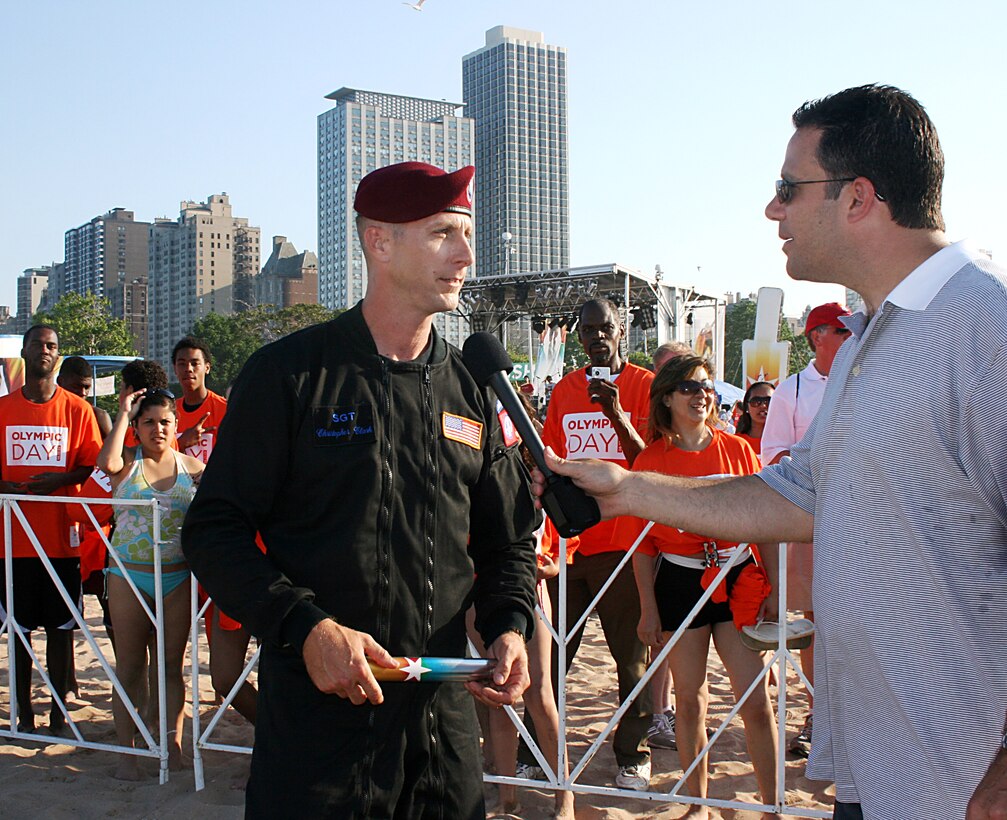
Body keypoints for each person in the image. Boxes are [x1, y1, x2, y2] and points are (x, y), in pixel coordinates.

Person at [534, 84, 1007, 820]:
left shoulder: (986, 328)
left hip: (966, 787)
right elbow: (796, 493)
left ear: (858, 198)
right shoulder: (865, 343)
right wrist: (624, 489)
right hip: (872, 773)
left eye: (788, 188)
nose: (771, 209)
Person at [181, 161, 539, 818]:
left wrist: (508, 627)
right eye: (442, 233)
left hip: (442, 735)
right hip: (320, 733)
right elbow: (214, 529)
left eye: (466, 232)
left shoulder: (469, 390)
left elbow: (508, 540)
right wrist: (306, 627)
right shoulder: (290, 375)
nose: (465, 254)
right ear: (379, 241)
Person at [618, 355, 778, 819]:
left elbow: (765, 524)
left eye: (706, 387)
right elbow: (643, 547)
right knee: (689, 700)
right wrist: (648, 608)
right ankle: (696, 807)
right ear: (666, 396)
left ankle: (771, 808)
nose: (701, 395)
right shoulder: (651, 460)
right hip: (679, 581)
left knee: (754, 698)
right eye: (689, 387)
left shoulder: (739, 451)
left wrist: (775, 588)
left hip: (737, 577)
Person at [520, 297, 654, 790]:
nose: (598, 337)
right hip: (571, 547)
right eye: (589, 330)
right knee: (553, 653)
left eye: (607, 328)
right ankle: (533, 750)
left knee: (630, 659)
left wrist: (617, 415)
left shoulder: (644, 386)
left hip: (625, 544)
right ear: (579, 337)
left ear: (622, 331)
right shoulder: (567, 391)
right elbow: (550, 461)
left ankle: (632, 754)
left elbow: (652, 465)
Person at [0, 325, 102, 734]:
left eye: (52, 346)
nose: (45, 350)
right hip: (11, 542)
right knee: (21, 635)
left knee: (60, 632)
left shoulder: (77, 410)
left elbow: (93, 464)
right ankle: (24, 713)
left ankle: (59, 713)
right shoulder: (3, 409)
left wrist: (59, 481)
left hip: (61, 542)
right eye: (39, 344)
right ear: (23, 350)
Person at [97, 386, 203, 779]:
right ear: (137, 428)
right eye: (149, 422)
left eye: (165, 422)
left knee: (170, 667)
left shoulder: (193, 469)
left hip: (177, 576)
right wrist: (123, 411)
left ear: (176, 425)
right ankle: (127, 754)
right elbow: (103, 461)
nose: (157, 429)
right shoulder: (127, 461)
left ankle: (171, 747)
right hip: (128, 575)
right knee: (130, 667)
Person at [761, 301, 850, 756]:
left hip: (864, 523)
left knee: (857, 623)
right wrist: (817, 470)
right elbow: (772, 454)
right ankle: (818, 718)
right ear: (818, 336)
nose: (852, 336)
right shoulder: (791, 390)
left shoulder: (865, 376)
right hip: (814, 524)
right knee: (816, 623)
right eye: (843, 330)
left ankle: (852, 721)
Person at [172, 336, 256, 724]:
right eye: (181, 363)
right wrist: (178, 443)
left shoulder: (228, 412)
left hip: (239, 545)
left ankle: (280, 736)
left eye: (194, 363)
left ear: (207, 367)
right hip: (180, 542)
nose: (188, 370)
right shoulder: (166, 417)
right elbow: (139, 463)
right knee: (176, 650)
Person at [57, 356, 112, 438]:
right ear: (61, 381)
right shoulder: (48, 412)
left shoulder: (98, 416)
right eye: (76, 386)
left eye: (87, 387)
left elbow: (114, 449)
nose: (83, 393)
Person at [734, 381, 774, 461]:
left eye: (769, 401)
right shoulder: (734, 443)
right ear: (747, 407)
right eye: (756, 401)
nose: (763, 406)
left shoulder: (788, 443)